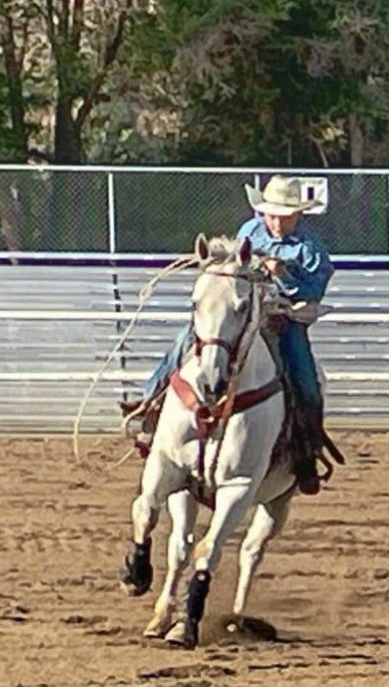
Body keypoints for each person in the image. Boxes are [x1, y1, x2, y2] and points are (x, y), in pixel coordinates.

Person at [125, 175, 337, 493]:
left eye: (284, 215)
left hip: (282, 320)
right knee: (186, 341)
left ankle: (306, 449)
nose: (277, 222)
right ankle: (150, 403)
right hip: (238, 315)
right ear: (263, 212)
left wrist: (286, 275)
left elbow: (313, 290)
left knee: (305, 376)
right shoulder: (249, 232)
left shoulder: (310, 250)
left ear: (298, 215)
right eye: (272, 214)